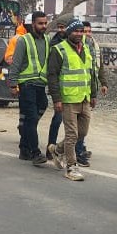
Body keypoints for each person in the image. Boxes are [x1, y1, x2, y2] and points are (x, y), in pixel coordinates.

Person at [47, 19, 98, 182]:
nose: (79, 34)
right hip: (68, 99)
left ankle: (57, 149)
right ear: (68, 32)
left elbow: (91, 73)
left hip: (84, 98)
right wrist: (57, 99)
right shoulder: (59, 50)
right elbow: (52, 76)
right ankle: (71, 167)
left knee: (82, 133)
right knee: (72, 135)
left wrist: (93, 94)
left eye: (81, 31)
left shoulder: (87, 49)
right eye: (76, 31)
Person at [8, 11, 50, 165]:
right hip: (26, 85)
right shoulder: (23, 41)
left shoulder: (47, 40)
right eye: (40, 23)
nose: (43, 26)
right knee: (31, 118)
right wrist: (13, 84)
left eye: (45, 23)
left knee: (34, 115)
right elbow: (16, 64)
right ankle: (35, 152)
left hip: (40, 85)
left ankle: (24, 147)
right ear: (33, 24)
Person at [77, 22, 109, 166]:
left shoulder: (94, 46)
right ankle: (76, 151)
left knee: (83, 122)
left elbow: (98, 67)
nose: (88, 34)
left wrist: (103, 83)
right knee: (78, 123)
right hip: (78, 90)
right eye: (85, 31)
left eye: (89, 31)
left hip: (90, 88)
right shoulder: (79, 47)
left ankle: (79, 147)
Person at [46, 18, 68, 160]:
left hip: (75, 91)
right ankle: (51, 147)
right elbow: (53, 72)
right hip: (60, 89)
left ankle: (71, 150)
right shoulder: (55, 44)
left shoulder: (79, 44)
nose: (61, 30)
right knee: (58, 119)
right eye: (59, 27)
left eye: (63, 27)